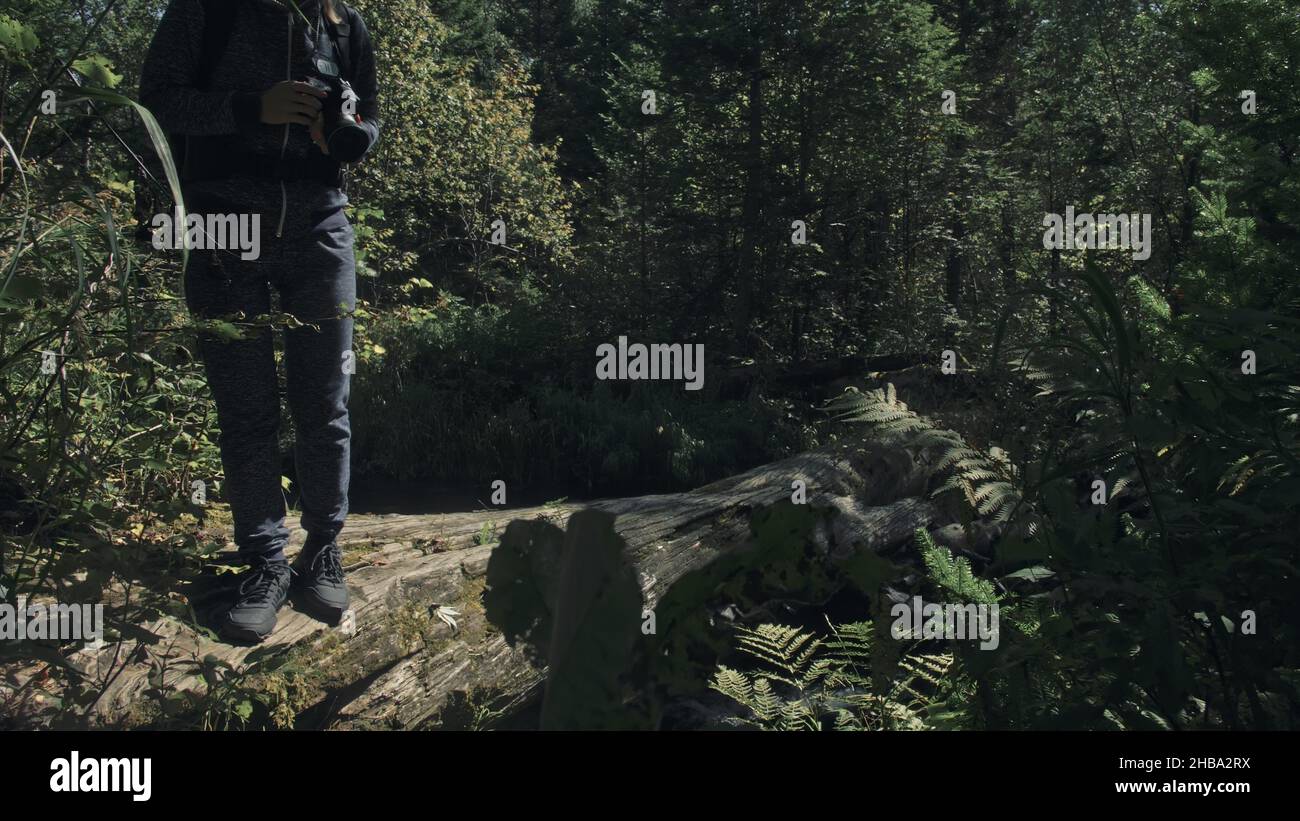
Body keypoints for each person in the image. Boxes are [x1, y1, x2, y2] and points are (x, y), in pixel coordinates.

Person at [140, 0, 380, 642]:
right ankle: (265, 563)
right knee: (246, 410)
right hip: (225, 227)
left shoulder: (343, 23)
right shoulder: (205, 11)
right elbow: (155, 102)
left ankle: (323, 549)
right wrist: (253, 107)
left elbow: (373, 120)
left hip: (321, 226)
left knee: (325, 403)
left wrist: (347, 130)